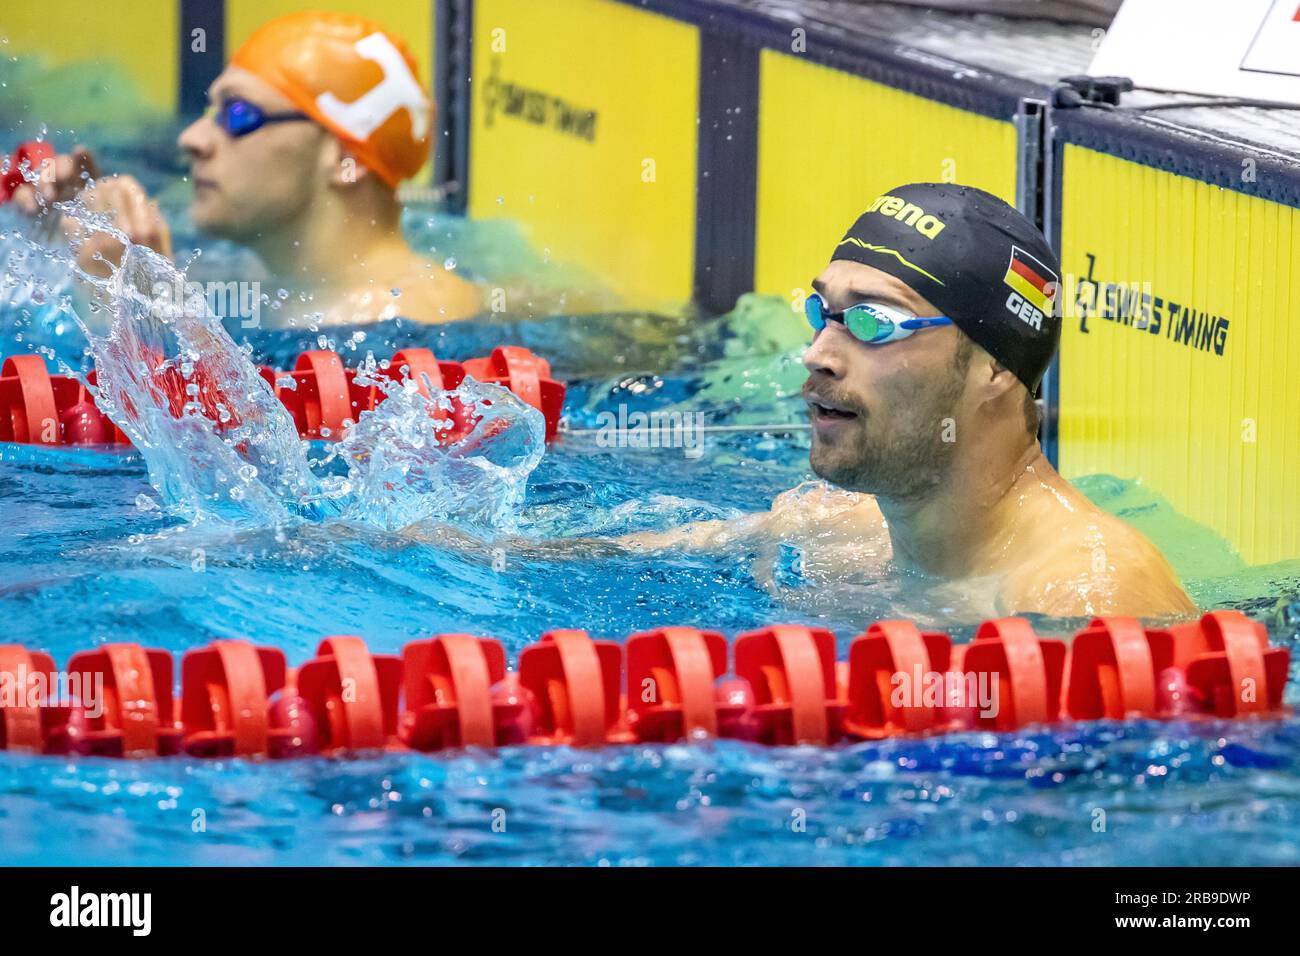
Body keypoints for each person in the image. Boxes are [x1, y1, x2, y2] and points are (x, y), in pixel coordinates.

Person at [614, 183, 1197, 619]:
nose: (819, 353)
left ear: (995, 366)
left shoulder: (1088, 597)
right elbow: (592, 554)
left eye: (874, 322)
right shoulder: (835, 530)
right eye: (825, 313)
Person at [12, 11, 481, 326]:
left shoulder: (395, 318)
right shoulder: (258, 282)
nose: (192, 139)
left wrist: (142, 311)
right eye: (211, 112)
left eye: (239, 115)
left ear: (347, 160)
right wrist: (64, 230)